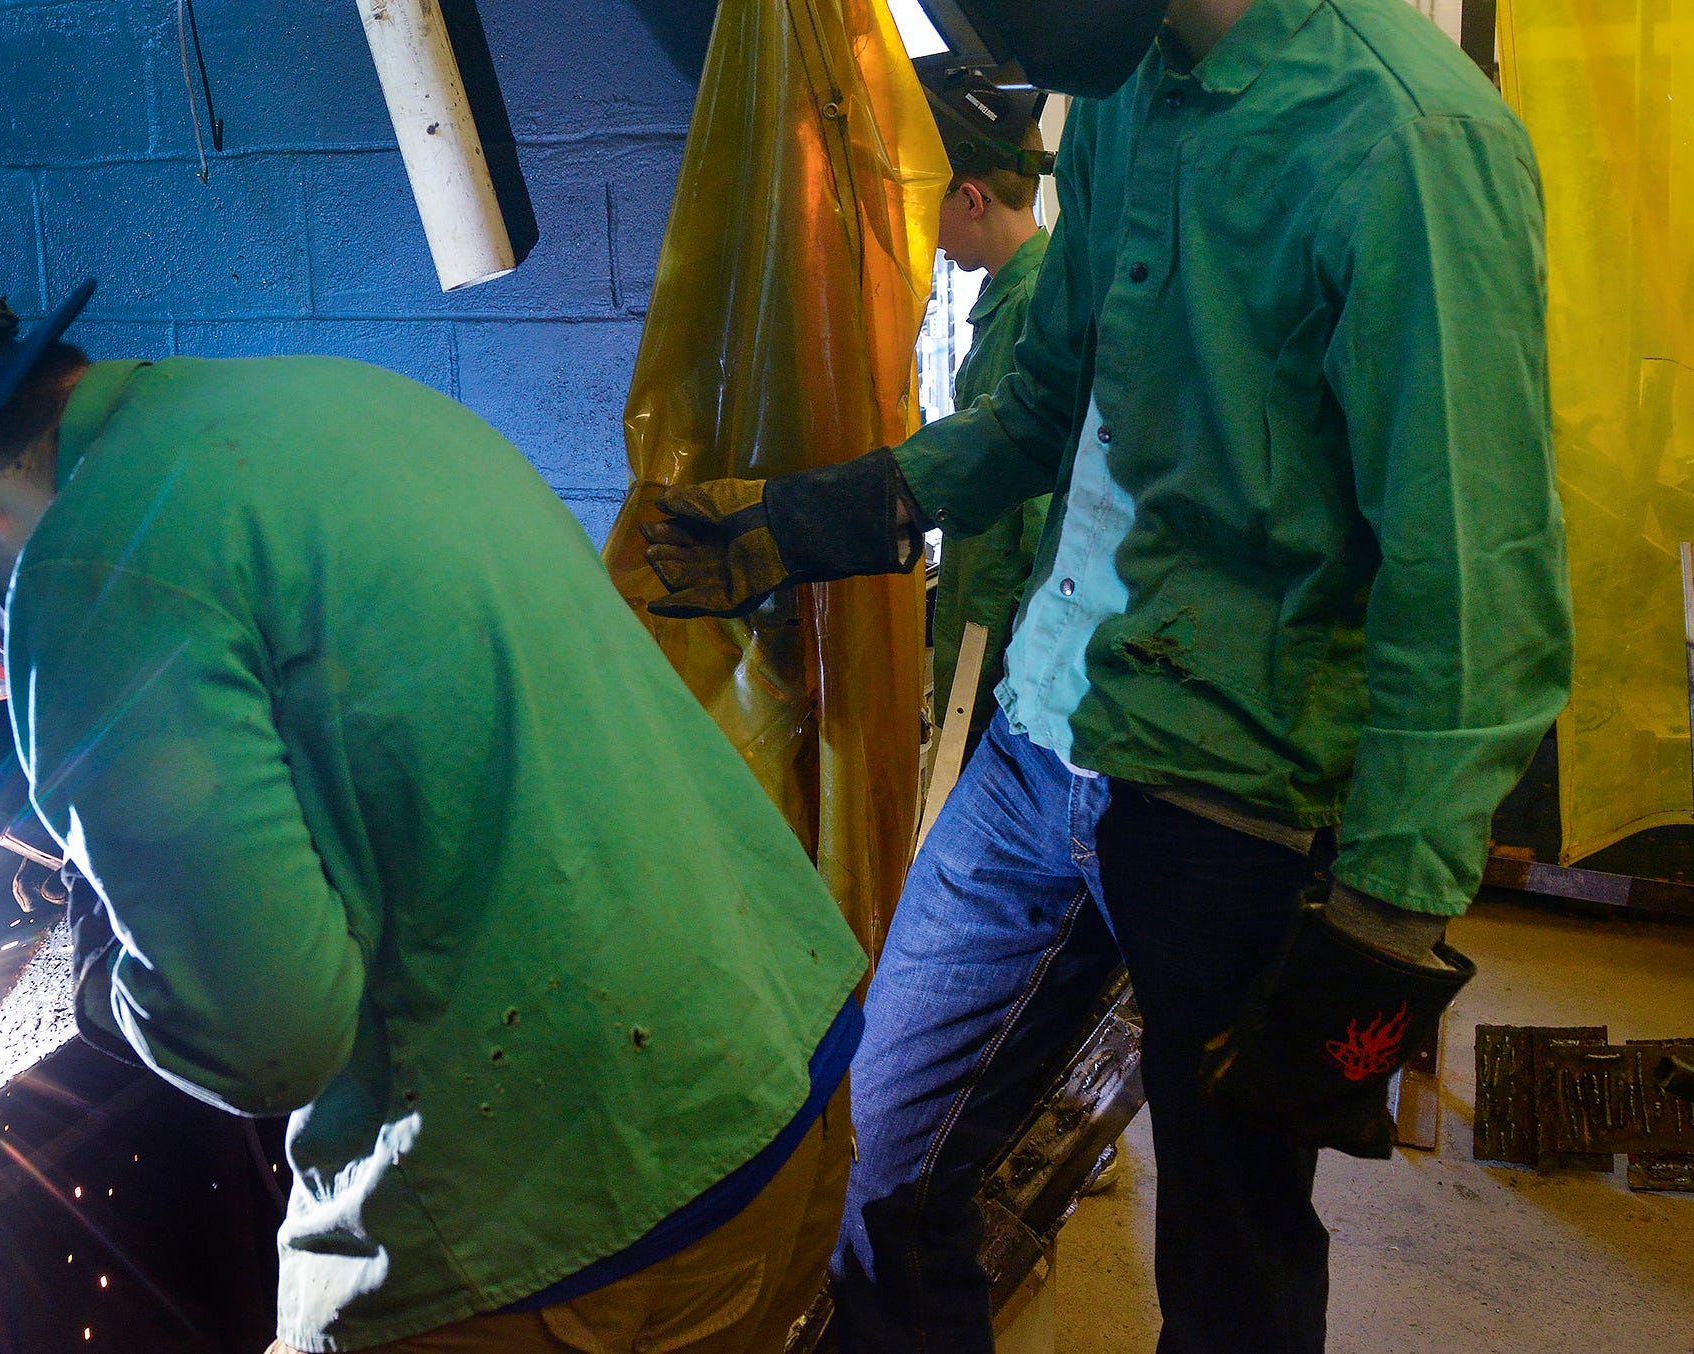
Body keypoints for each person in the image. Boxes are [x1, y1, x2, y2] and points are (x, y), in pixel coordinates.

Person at [0, 285, 869, 1352]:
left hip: (571, 1221)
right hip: (783, 1074)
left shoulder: (93, 575)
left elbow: (263, 1043)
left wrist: (101, 981)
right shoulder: (329, 400)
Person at [639, 0, 1571, 1349]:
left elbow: (1479, 584)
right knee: (882, 1163)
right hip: (1040, 733)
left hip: (1234, 798)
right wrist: (812, 517)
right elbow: (1042, 408)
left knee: (1230, 1266)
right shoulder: (1130, 87)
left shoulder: (1409, 137)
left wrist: (1384, 922)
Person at [921, 69, 1056, 758]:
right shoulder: (1025, 291)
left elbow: (1026, 506)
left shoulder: (1031, 306)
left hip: (995, 646)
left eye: (930, 208)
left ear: (971, 198)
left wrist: (993, 655)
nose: (929, 234)